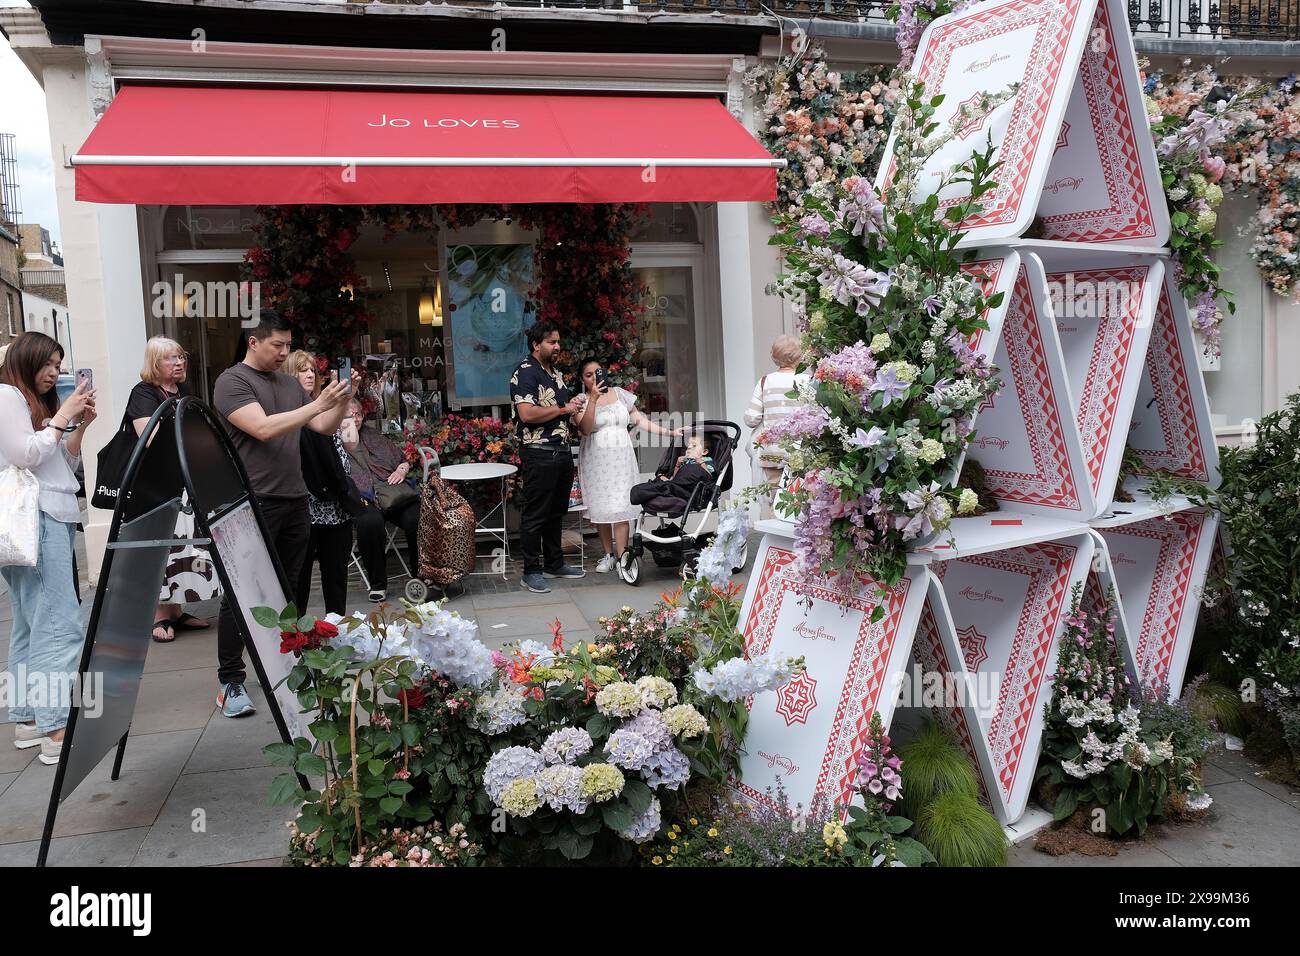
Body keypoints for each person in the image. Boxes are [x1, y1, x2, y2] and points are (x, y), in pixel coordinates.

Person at [211, 310, 355, 718]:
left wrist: (340, 400)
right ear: (253, 342)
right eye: (278, 345)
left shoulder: (290, 385)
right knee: (242, 593)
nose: (284, 352)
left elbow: (323, 426)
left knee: (290, 589)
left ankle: (287, 666)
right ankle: (230, 680)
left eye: (288, 345)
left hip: (295, 498)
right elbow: (263, 428)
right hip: (253, 503)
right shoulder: (232, 381)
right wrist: (317, 405)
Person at [0, 331, 96, 765]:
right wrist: (62, 419)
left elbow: (62, 463)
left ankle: (27, 718)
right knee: (59, 626)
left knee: (29, 621)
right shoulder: (7, 396)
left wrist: (76, 425)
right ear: (26, 360)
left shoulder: (28, 402)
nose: (54, 372)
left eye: (58, 364)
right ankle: (55, 729)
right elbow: (24, 454)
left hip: (37, 517)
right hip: (38, 519)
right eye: (47, 364)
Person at [125, 336, 221, 643]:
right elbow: (148, 437)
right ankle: (159, 615)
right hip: (155, 485)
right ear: (155, 363)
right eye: (170, 359)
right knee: (161, 547)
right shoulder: (143, 393)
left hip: (181, 482)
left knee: (182, 546)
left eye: (181, 357)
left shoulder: (183, 391)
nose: (179, 363)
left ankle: (176, 611)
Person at [574, 357, 678, 583]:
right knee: (601, 506)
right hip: (596, 460)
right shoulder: (580, 400)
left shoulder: (621, 394)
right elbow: (585, 428)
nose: (594, 377)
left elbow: (639, 421)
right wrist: (592, 399)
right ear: (582, 379)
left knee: (622, 505)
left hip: (621, 458)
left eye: (597, 372)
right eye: (588, 375)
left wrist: (669, 433)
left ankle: (623, 557)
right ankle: (608, 554)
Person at [510, 322, 586, 594]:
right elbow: (527, 414)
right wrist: (563, 408)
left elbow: (560, 409)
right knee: (536, 514)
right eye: (552, 342)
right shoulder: (526, 372)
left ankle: (554, 563)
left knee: (556, 513)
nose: (557, 347)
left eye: (558, 342)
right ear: (536, 345)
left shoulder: (555, 373)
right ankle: (531, 571)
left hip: (561, 452)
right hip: (539, 453)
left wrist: (572, 406)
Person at [287, 351, 359, 616]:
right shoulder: (285, 411)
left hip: (335, 504)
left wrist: (346, 403)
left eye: (312, 371)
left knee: (336, 576)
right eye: (301, 370)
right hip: (303, 507)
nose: (308, 375)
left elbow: (351, 445)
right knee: (299, 579)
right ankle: (296, 638)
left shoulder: (328, 405)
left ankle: (337, 632)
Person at [345, 399, 420, 602]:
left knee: (417, 516)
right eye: (349, 415)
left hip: (390, 491)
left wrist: (401, 470)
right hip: (361, 497)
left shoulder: (373, 435)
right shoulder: (336, 441)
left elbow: (402, 459)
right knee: (370, 522)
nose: (355, 418)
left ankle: (421, 575)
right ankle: (378, 584)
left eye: (358, 414)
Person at [744, 334, 809, 485]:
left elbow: (751, 419)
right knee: (801, 496)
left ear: (773, 357)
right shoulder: (808, 381)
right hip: (802, 452)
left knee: (776, 498)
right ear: (801, 356)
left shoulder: (765, 382)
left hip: (772, 453)